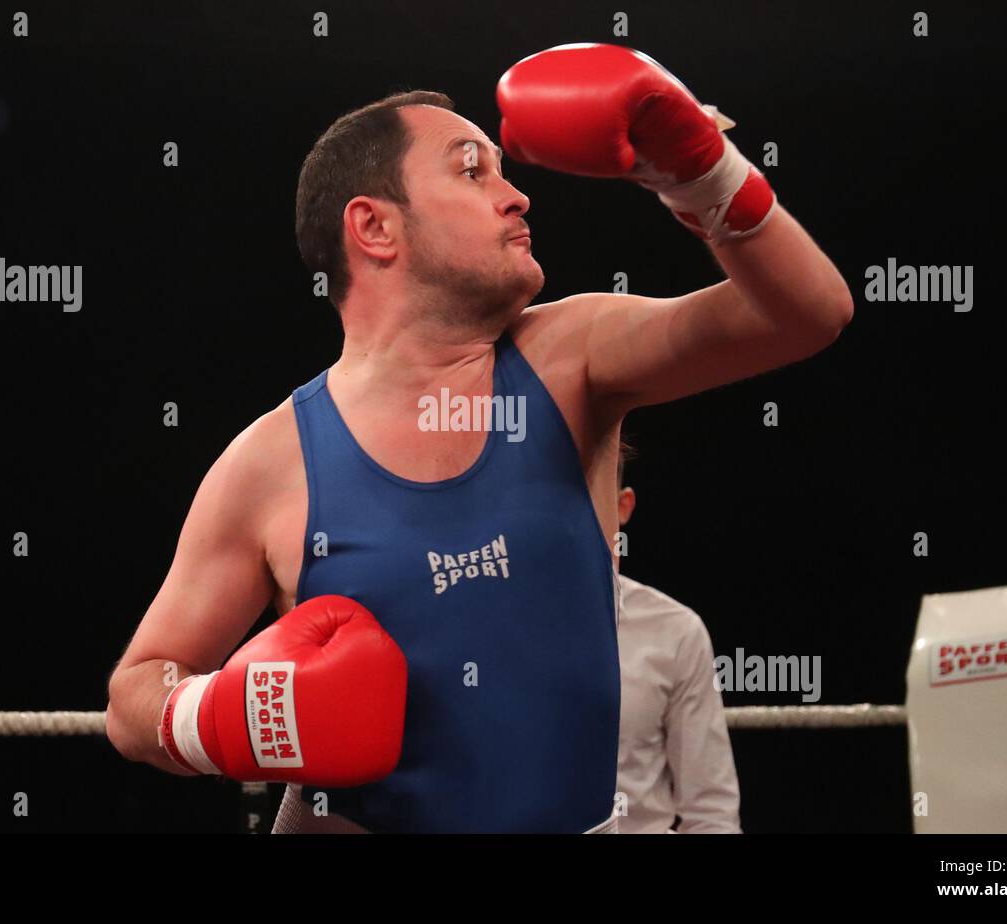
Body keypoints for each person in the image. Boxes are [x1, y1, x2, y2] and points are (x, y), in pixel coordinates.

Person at [106, 42, 853, 833]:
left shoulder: (570, 360)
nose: (517, 198)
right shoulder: (270, 461)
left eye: (504, 171)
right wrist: (226, 717)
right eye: (473, 171)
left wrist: (703, 174)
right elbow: (133, 697)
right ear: (374, 227)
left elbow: (808, 315)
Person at [613, 440, 742, 833]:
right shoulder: (484, 623)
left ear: (623, 507)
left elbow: (711, 811)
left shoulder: (673, 632)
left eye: (581, 492)